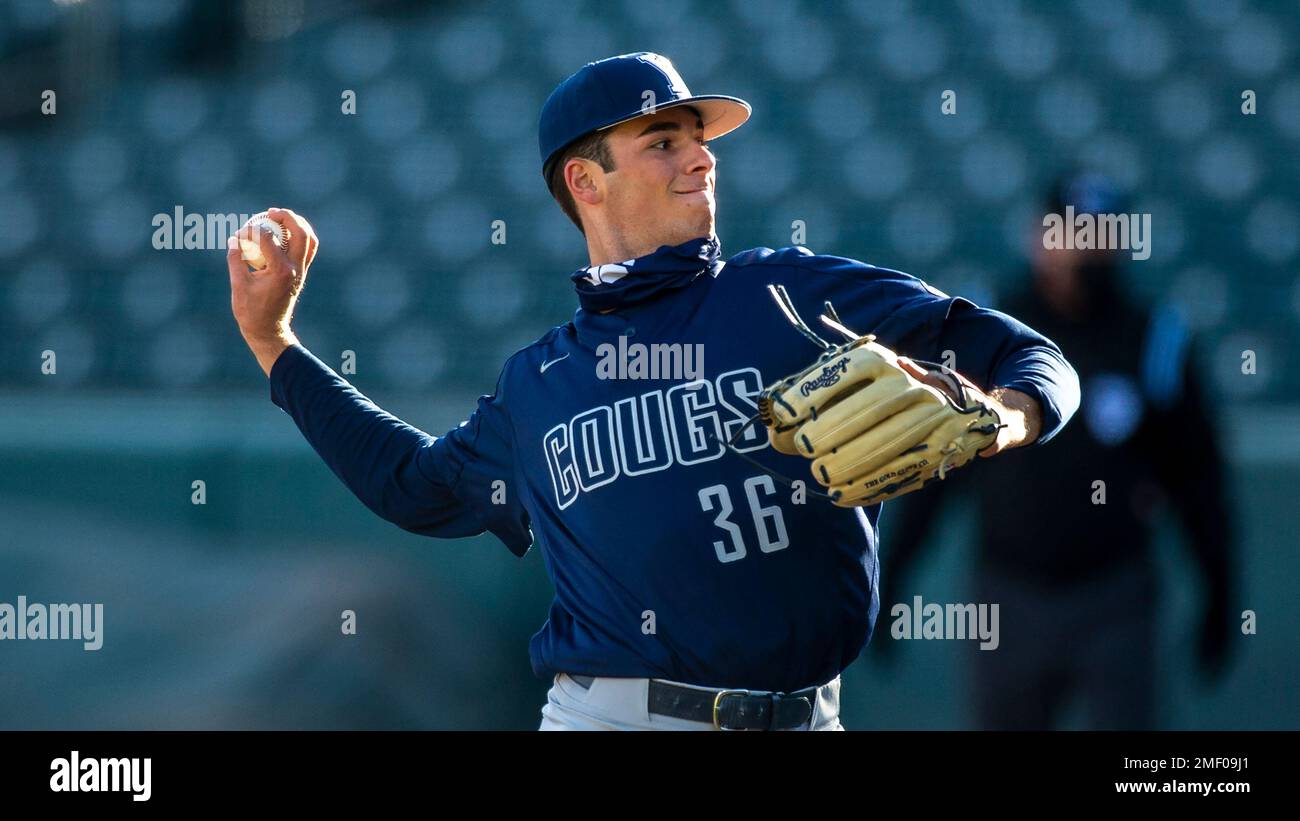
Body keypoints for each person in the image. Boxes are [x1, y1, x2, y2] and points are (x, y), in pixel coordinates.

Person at [225, 52, 1080, 730]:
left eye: (698, 138)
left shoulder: (795, 292)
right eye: (663, 141)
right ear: (585, 183)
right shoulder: (538, 384)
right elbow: (411, 487)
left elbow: (1034, 356)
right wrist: (276, 345)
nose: (701, 156)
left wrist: (1008, 414)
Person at [878, 172, 1236, 729]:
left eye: (1099, 233)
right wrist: (894, 579)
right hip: (1008, 597)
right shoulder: (991, 332)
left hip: (1116, 596)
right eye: (1070, 231)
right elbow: (941, 470)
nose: (1084, 248)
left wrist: (1220, 593)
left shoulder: (1154, 337)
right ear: (1038, 234)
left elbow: (1198, 482)